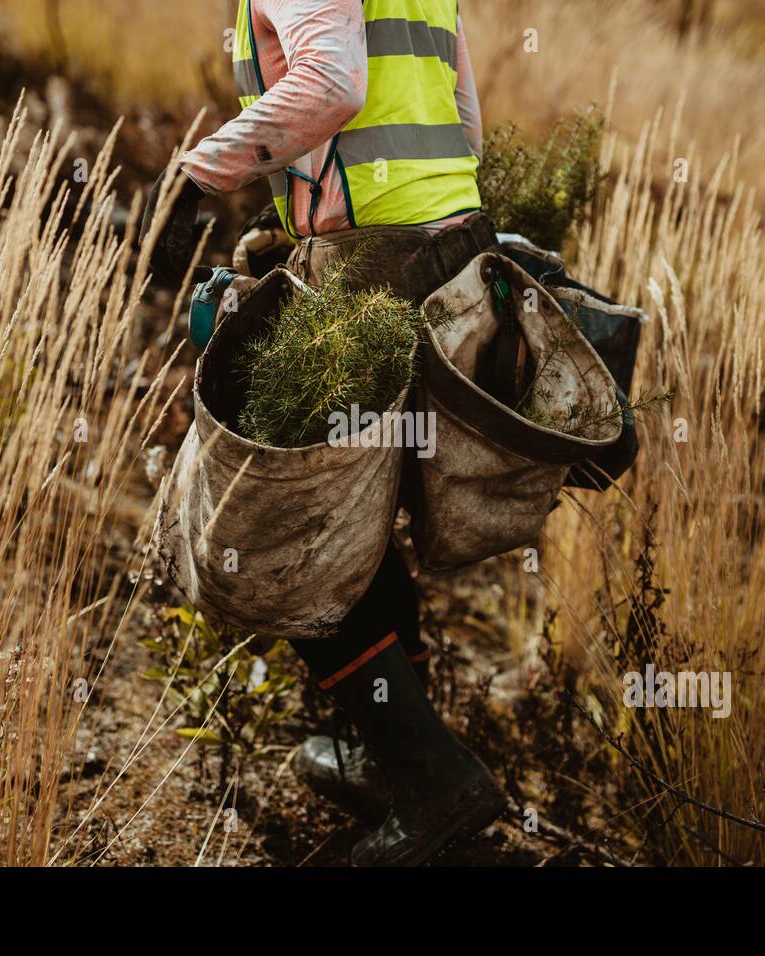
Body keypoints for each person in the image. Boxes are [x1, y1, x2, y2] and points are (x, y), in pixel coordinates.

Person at [144, 0, 505, 867]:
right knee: (360, 515)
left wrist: (202, 178)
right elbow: (465, 122)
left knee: (293, 521)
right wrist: (307, 218)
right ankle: (391, 762)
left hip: (378, 261)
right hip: (450, 244)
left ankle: (429, 780)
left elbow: (335, 83)